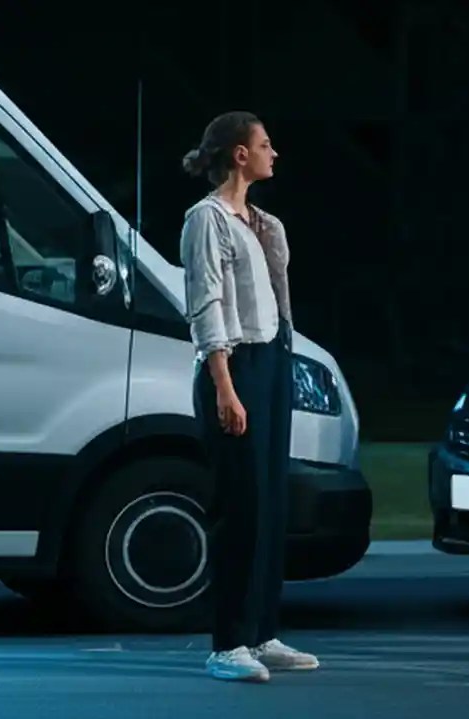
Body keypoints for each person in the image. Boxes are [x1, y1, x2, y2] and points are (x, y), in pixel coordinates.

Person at [179, 110, 319, 682]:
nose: (273, 153)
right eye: (265, 144)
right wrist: (225, 387)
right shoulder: (206, 219)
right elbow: (206, 304)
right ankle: (227, 643)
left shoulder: (265, 223)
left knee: (269, 505)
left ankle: (262, 632)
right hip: (234, 366)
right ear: (240, 154)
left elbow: (278, 304)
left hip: (272, 362)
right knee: (238, 506)